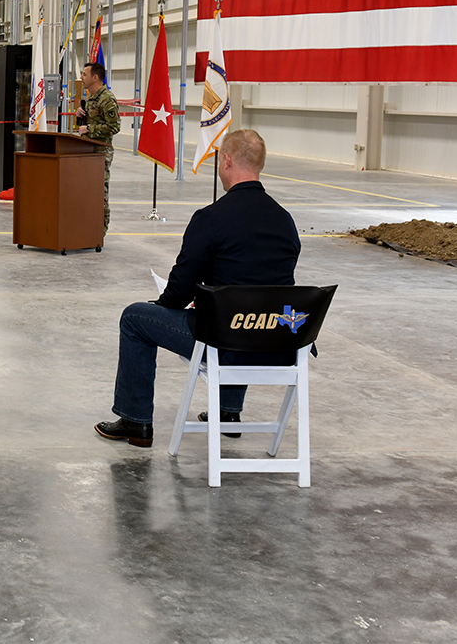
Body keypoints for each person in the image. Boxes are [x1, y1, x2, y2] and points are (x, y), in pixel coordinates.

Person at [95, 130, 300, 447]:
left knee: (135, 318)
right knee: (245, 310)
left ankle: (135, 421)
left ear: (226, 161)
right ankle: (227, 412)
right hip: (277, 341)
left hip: (222, 338)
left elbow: (180, 289)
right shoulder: (285, 220)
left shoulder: (211, 218)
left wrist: (164, 302)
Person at [73, 61, 120, 232]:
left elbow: (114, 127)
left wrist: (89, 129)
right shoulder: (91, 98)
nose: (81, 77)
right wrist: (80, 117)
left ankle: (100, 230)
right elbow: (88, 124)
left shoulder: (107, 99)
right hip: (87, 150)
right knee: (87, 191)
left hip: (101, 153)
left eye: (84, 74)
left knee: (100, 192)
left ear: (95, 77)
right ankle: (88, 228)